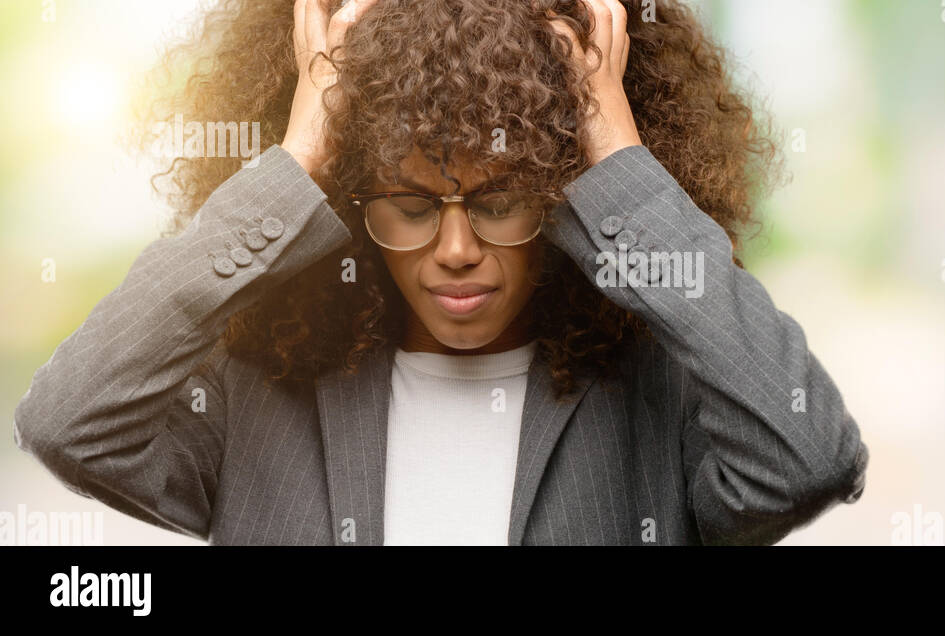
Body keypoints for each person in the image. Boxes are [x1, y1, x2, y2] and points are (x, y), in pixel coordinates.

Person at [13, 0, 867, 545]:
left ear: (561, 193)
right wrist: (295, 163)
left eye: (500, 202)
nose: (455, 249)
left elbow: (809, 458)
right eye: (411, 206)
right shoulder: (253, 401)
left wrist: (620, 164)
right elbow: (67, 420)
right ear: (351, 202)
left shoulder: (655, 404)